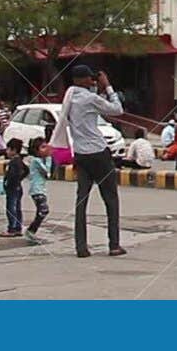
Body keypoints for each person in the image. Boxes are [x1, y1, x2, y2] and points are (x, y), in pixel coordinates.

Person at [55, 65, 125, 258]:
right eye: (90, 78)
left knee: (81, 200)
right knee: (111, 199)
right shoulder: (90, 98)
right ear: (83, 79)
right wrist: (108, 87)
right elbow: (117, 109)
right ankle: (114, 244)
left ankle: (81, 247)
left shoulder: (70, 97)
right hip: (98, 153)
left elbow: (93, 104)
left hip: (80, 154)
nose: (93, 80)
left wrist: (97, 89)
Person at [25, 138, 52, 244]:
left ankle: (31, 232)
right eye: (43, 147)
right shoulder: (35, 161)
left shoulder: (42, 160)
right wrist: (49, 158)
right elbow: (46, 172)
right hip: (36, 190)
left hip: (41, 189)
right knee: (43, 210)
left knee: (42, 211)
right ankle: (31, 231)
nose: (45, 149)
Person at [0, 137, 28, 238]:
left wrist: (9, 183)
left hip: (12, 188)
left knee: (11, 208)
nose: (6, 151)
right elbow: (26, 170)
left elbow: (12, 175)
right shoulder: (19, 161)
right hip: (18, 187)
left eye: (8, 149)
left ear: (13, 150)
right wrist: (20, 179)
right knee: (17, 208)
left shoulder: (14, 162)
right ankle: (18, 228)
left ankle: (12, 228)